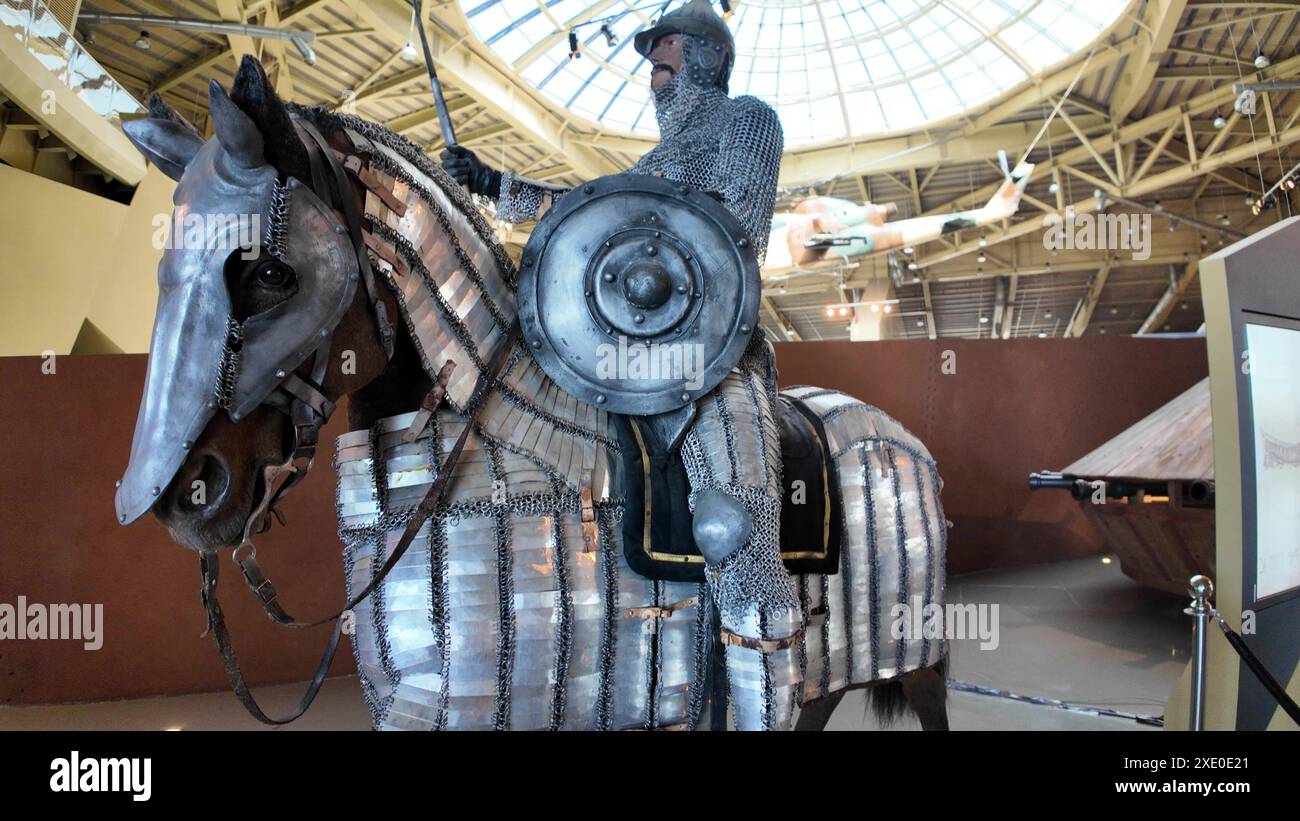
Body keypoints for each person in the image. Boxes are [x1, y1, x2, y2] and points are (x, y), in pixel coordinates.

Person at [441, 0, 800, 730]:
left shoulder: (749, 120)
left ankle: (764, 668)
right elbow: (588, 210)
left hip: (708, 357)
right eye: (653, 47)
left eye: (667, 44)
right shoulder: (651, 162)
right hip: (627, 358)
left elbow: (737, 230)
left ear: (707, 56)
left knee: (736, 528)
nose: (652, 59)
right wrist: (493, 184)